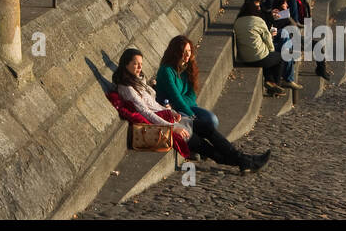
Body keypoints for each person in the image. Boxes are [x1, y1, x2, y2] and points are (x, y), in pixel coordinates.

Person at [113, 47, 268, 173]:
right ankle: (245, 161)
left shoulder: (137, 82)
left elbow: (154, 105)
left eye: (140, 63)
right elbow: (145, 113)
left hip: (167, 118)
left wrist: (173, 113)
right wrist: (173, 128)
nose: (140, 67)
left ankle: (245, 160)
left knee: (207, 128)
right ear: (125, 65)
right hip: (163, 126)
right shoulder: (127, 88)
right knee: (205, 147)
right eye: (135, 64)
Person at [234, 0, 287, 96]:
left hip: (244, 58)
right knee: (279, 58)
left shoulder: (238, 21)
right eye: (257, 7)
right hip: (258, 58)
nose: (259, 9)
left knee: (266, 58)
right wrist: (271, 52)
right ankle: (275, 85)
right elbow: (268, 40)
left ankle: (269, 81)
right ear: (253, 9)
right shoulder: (258, 21)